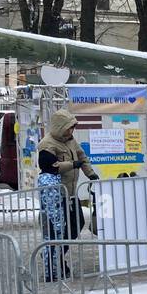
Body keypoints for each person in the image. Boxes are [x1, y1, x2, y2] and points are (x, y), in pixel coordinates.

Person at [37, 109, 99, 282]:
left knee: (76, 224)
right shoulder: (47, 144)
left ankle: (55, 253)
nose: (71, 131)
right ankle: (53, 258)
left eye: (73, 128)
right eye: (68, 128)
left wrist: (91, 173)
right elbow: (50, 166)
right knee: (57, 230)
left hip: (71, 193)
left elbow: (82, 156)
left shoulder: (71, 140)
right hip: (56, 194)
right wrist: (72, 164)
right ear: (60, 127)